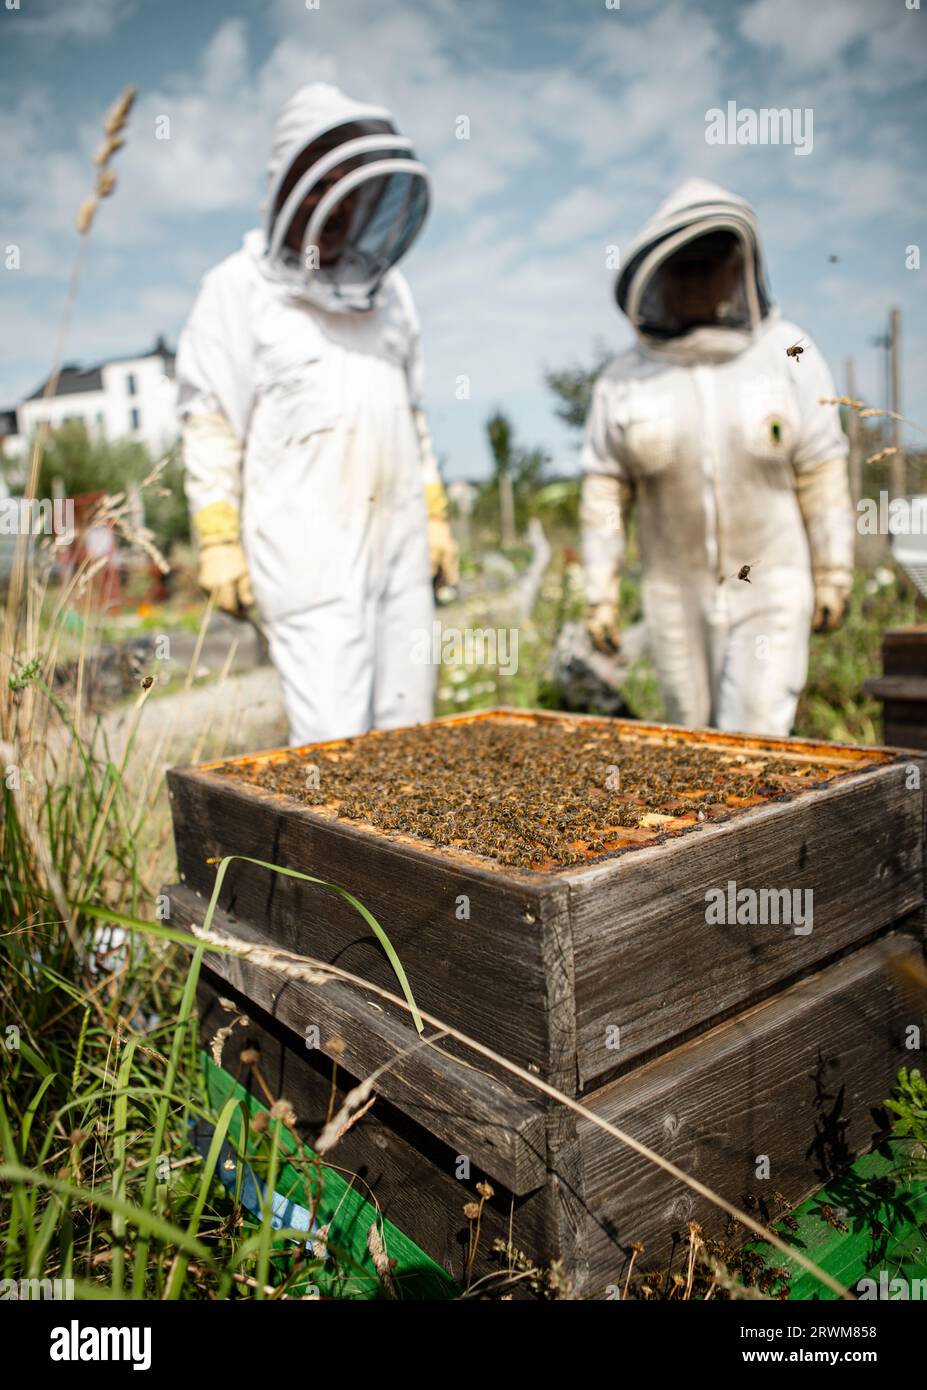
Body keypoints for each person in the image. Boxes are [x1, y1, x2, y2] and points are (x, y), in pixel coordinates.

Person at [176, 83, 457, 745]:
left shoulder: (390, 295)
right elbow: (210, 420)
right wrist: (217, 539)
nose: (333, 202)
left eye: (346, 183)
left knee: (413, 745)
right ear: (282, 186)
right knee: (332, 752)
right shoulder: (234, 291)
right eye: (316, 183)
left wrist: (435, 512)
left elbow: (410, 416)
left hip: (402, 552)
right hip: (307, 564)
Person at [581, 178, 853, 737]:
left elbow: (821, 467)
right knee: (693, 740)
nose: (700, 281)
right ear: (660, 277)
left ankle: (764, 830)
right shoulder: (623, 379)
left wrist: (834, 571)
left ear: (738, 270)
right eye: (686, 268)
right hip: (673, 591)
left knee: (753, 735)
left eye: (713, 265)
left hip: (770, 580)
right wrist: (599, 594)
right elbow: (605, 488)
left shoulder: (788, 353)